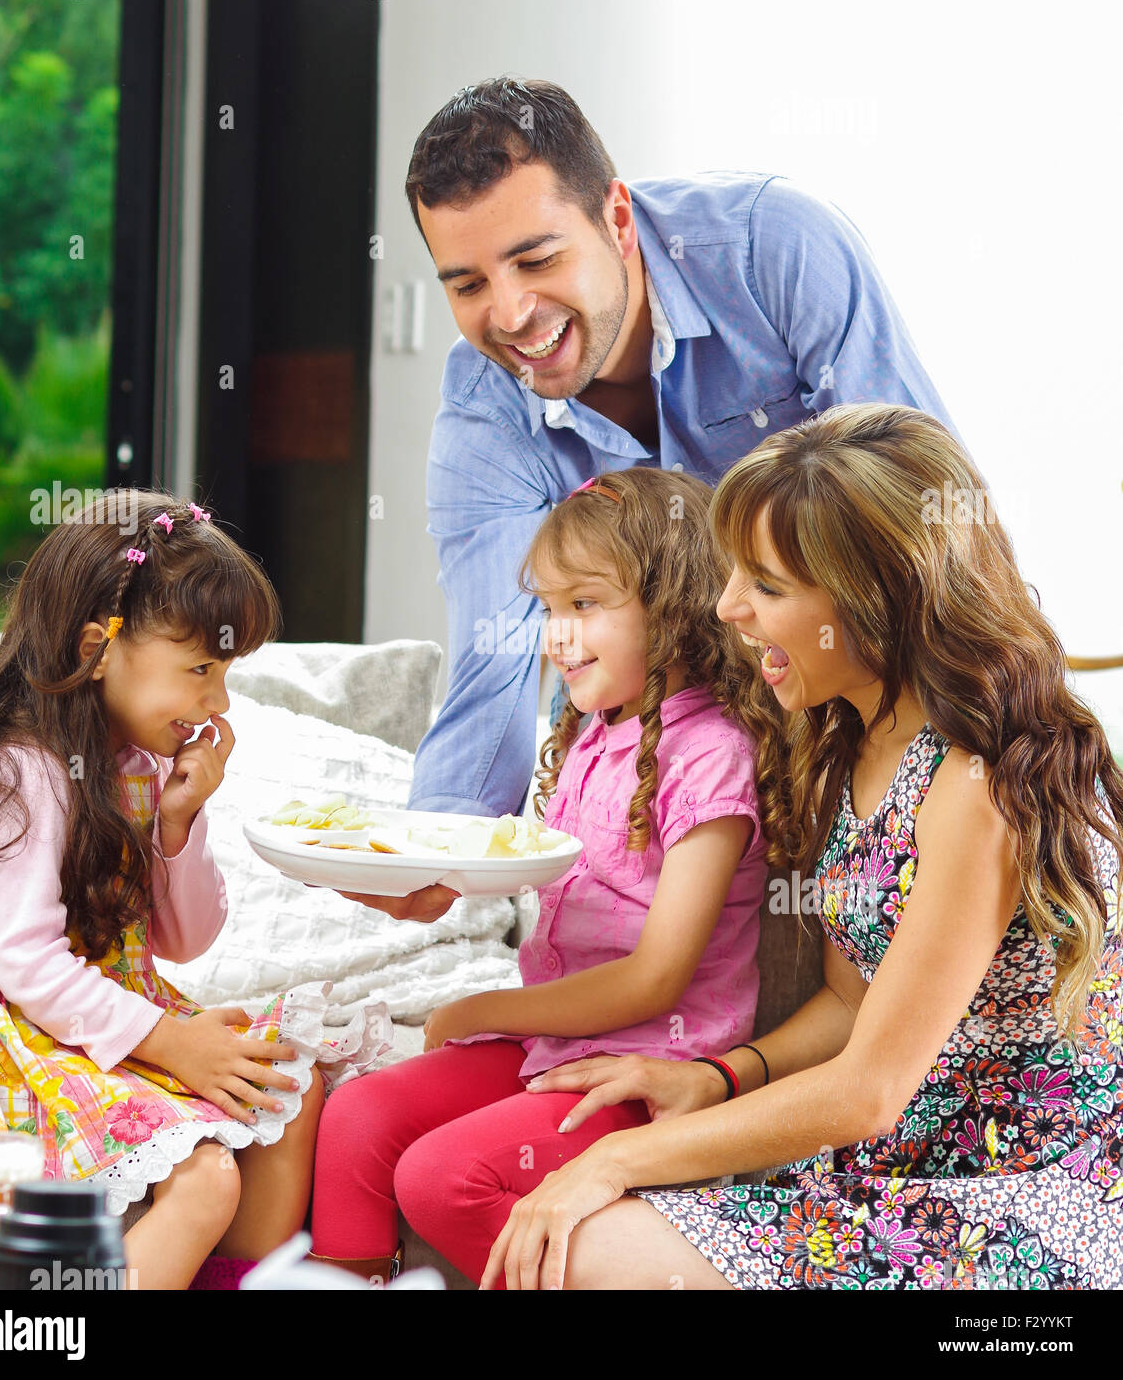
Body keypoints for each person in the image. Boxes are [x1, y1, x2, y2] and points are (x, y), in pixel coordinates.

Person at [478, 403, 1123, 1290]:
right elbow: (850, 1000)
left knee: (587, 1245)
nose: (725, 607)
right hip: (892, 1177)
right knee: (571, 1248)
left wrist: (617, 1161)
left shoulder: (976, 786)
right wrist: (721, 1074)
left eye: (767, 586)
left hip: (1031, 1198)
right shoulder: (843, 744)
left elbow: (867, 1089)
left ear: (878, 600)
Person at [403, 77, 956, 838]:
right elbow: (491, 655)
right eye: (467, 284)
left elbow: (921, 517)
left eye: (535, 261)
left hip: (836, 710)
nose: (509, 315)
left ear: (617, 220)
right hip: (639, 771)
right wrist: (437, 849)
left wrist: (965, 769)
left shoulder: (772, 251)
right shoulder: (484, 403)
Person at [310, 469, 781, 1286]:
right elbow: (567, 876)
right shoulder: (595, 733)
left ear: (670, 608)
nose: (556, 636)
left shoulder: (710, 758)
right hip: (556, 1045)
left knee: (439, 1176)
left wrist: (483, 1008)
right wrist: (437, 879)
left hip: (642, 1065)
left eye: (585, 605)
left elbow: (654, 979)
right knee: (358, 1114)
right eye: (549, 608)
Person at [0, 493, 357, 1290]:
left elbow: (182, 941)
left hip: (100, 1011)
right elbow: (20, 962)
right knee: (205, 1180)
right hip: (9, 1027)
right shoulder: (24, 770)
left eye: (225, 673)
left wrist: (179, 821)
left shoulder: (140, 767)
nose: (218, 701)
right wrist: (172, 1042)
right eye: (200, 669)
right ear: (98, 649)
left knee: (289, 1094)